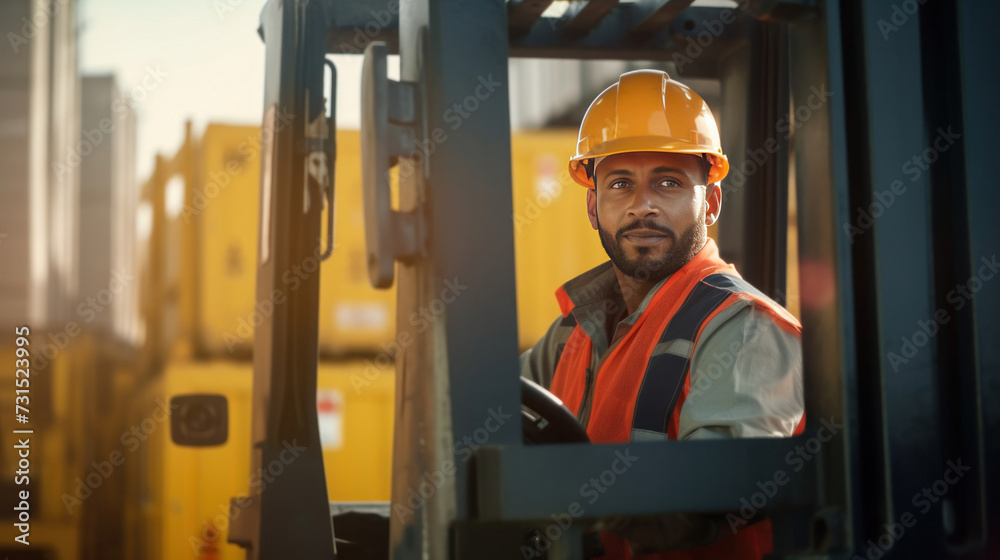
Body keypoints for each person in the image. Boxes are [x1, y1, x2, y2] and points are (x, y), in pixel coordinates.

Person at [520, 69, 805, 559]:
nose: (642, 205)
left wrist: (567, 490)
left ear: (711, 202)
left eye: (668, 182)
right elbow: (488, 421)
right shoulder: (572, 331)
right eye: (620, 184)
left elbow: (712, 492)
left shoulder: (745, 327)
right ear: (593, 207)